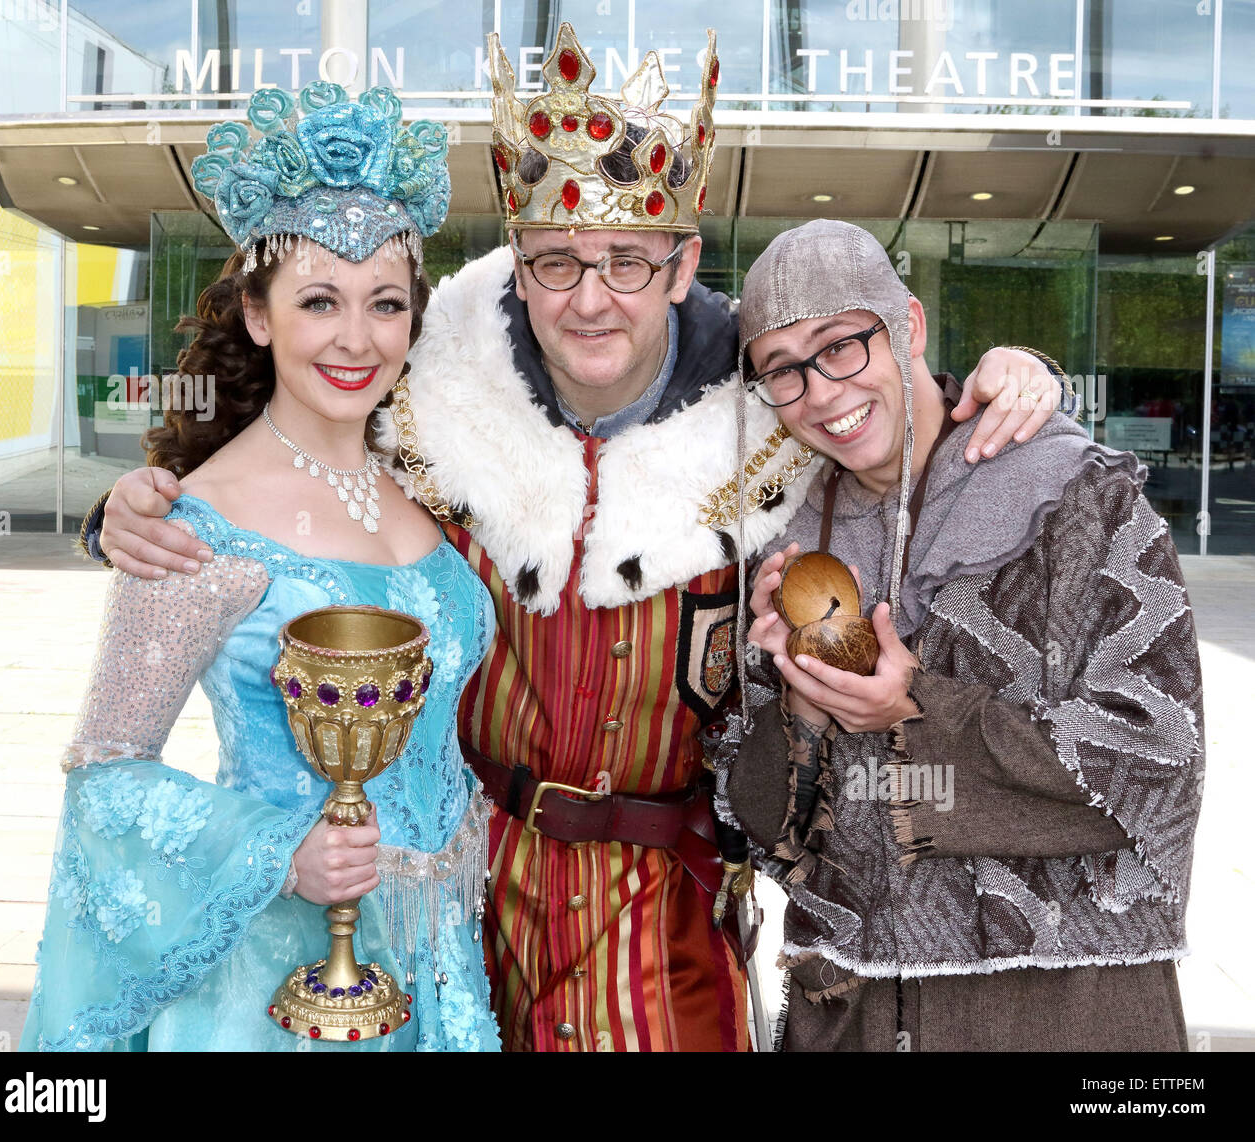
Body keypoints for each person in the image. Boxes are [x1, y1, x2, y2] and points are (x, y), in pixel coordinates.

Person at [82, 26, 1067, 1052]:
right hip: (462, 904)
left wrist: (1015, 371)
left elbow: (884, 406)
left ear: (682, 263)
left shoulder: (773, 409)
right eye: (555, 263)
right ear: (518, 260)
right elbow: (291, 416)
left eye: (627, 265)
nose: (589, 300)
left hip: (670, 915)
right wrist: (134, 502)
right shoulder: (430, 393)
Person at [23, 81, 500, 1051]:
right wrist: (285, 852)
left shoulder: (430, 483)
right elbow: (105, 777)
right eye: (319, 300)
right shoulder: (199, 526)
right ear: (257, 312)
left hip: (440, 971)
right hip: (280, 991)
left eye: (386, 303)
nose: (356, 337)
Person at [722, 219, 1204, 1051]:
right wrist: (799, 710)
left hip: (1060, 1009)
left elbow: (1158, 756)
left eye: (841, 347)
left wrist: (918, 710)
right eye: (783, 373)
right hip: (852, 1011)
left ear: (907, 325)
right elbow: (761, 822)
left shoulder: (1077, 500)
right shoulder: (790, 545)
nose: (823, 393)